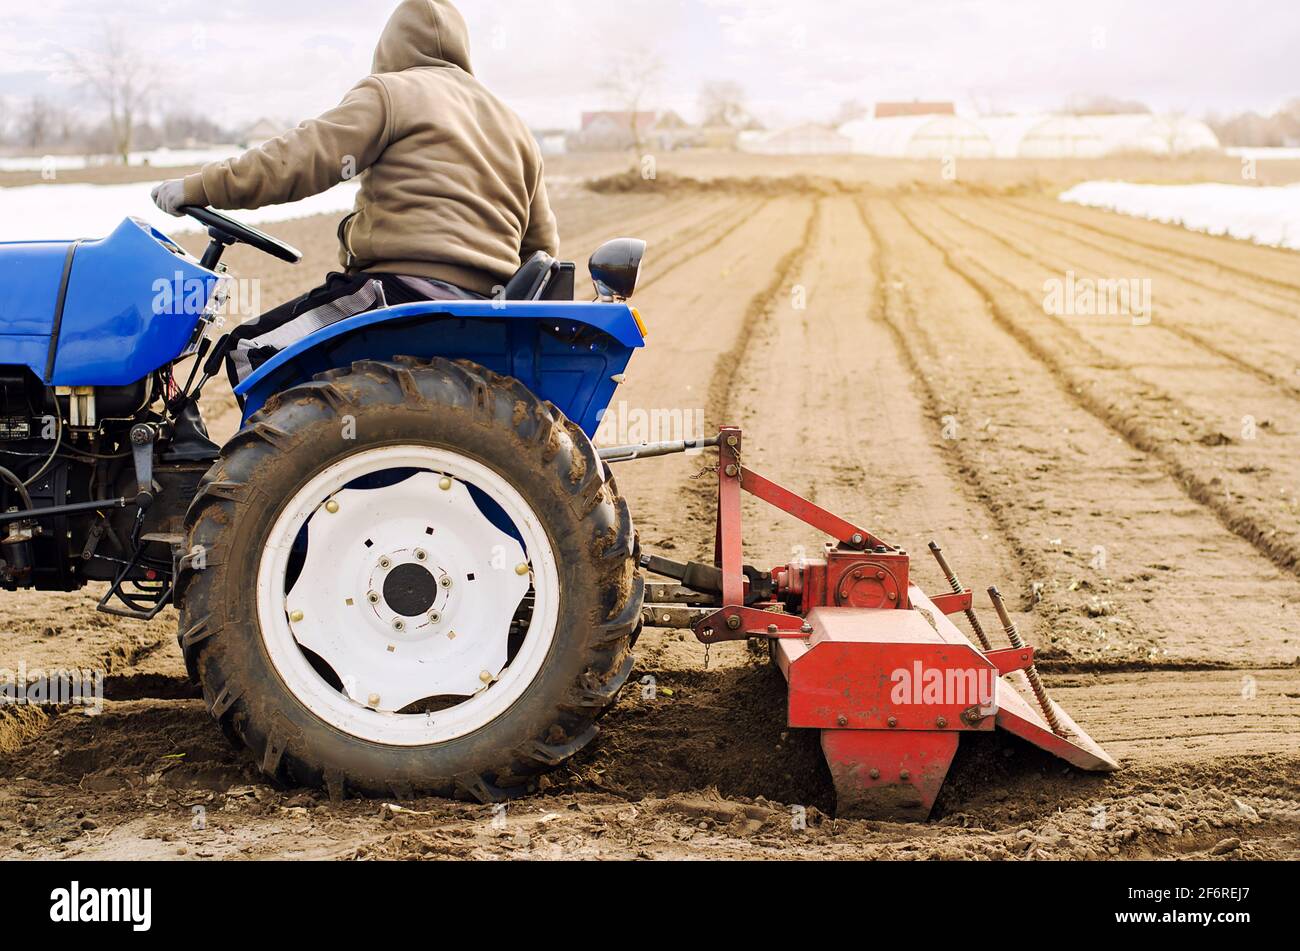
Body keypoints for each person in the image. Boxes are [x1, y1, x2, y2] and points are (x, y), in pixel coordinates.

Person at [152, 0, 558, 387]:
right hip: (484, 309)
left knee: (251, 349)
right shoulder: (514, 127)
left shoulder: (392, 92)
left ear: (390, 47)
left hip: (400, 295)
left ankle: (278, 460)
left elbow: (296, 160)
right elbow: (541, 246)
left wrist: (198, 187)